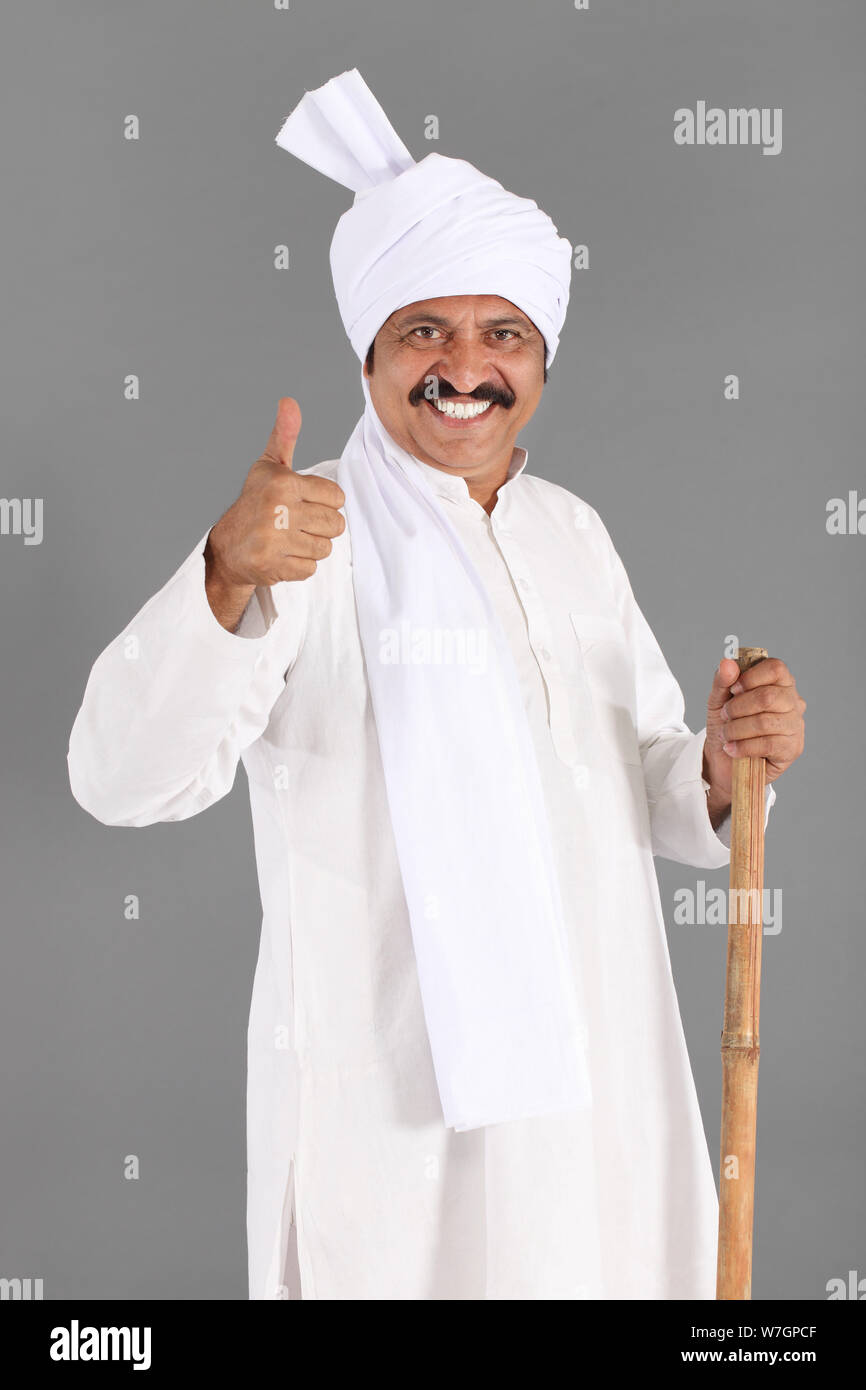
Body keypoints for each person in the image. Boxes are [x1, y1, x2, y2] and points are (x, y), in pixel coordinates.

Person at [67, 70, 806, 1300]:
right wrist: (222, 572)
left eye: (501, 332)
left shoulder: (572, 533)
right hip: (393, 1111)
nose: (464, 366)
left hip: (597, 1087)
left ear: (542, 358)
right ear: (370, 352)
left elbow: (643, 781)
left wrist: (726, 762)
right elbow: (119, 779)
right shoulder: (303, 534)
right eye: (425, 330)